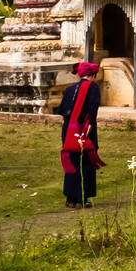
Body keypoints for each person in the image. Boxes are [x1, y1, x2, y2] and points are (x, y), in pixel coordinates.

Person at [55, 62, 104, 209]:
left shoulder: (69, 89)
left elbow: (62, 110)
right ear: (93, 75)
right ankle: (82, 198)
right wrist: (88, 129)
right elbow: (93, 109)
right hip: (85, 129)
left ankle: (70, 199)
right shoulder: (92, 87)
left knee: (72, 162)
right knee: (86, 163)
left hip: (69, 130)